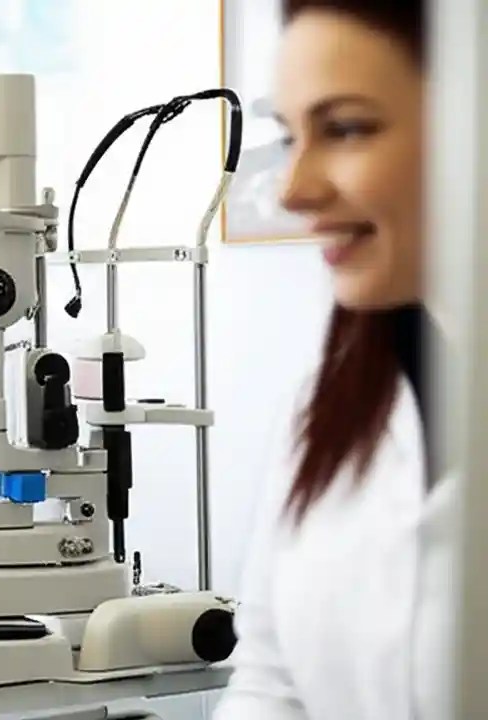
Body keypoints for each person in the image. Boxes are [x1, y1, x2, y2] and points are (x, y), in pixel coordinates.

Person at [211, 1, 455, 718]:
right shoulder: (334, 397)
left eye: (345, 128)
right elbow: (268, 677)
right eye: (290, 136)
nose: (293, 189)